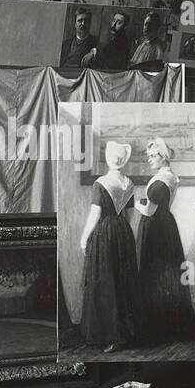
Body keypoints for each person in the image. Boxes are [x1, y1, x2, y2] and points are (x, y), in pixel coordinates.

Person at [133, 138, 195, 344]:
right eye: (149, 156)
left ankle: (157, 327)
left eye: (153, 156)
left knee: (156, 275)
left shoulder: (160, 181)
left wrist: (135, 203)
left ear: (164, 157)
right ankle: (169, 325)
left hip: (156, 229)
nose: (149, 159)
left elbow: (149, 210)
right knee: (167, 275)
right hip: (166, 226)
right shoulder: (170, 177)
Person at [78, 141, 139, 352]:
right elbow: (130, 215)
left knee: (106, 281)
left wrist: (85, 237)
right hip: (123, 232)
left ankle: (111, 334)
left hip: (105, 233)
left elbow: (95, 214)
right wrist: (123, 234)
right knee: (121, 282)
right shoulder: (128, 183)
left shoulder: (101, 183)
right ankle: (123, 333)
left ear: (108, 157)